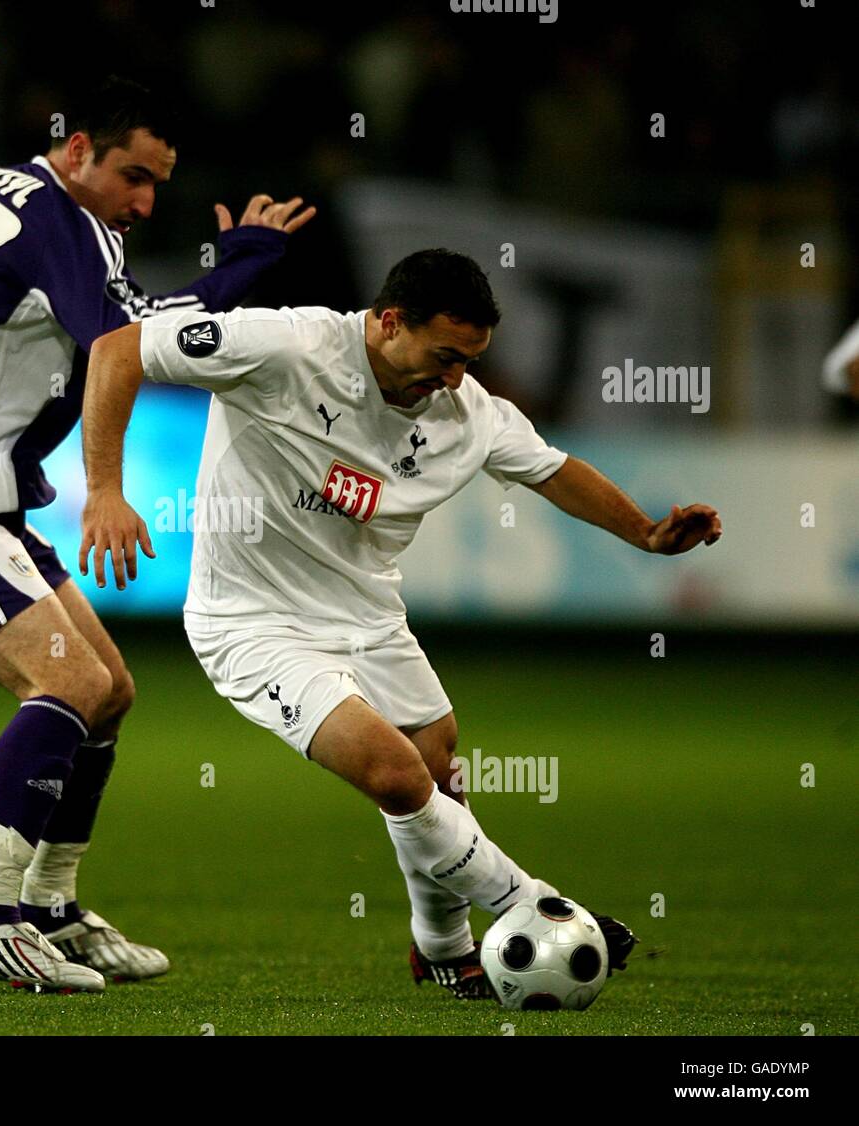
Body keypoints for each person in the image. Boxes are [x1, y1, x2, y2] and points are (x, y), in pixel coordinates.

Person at [77, 249, 723, 999]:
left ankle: (442, 949)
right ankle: (536, 905)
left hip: (369, 615)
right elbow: (117, 348)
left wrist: (645, 533)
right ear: (389, 322)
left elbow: (552, 468)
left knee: (440, 768)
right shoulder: (287, 345)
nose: (454, 378)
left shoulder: (467, 411)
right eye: (445, 355)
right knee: (394, 773)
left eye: (470, 361)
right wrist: (103, 490)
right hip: (250, 619)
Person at [0, 29, 315, 994]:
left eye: (159, 184)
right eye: (133, 175)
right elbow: (122, 346)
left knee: (108, 692)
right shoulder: (68, 224)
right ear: (77, 147)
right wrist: (106, 490)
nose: (144, 202)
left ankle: (50, 907)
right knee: (70, 689)